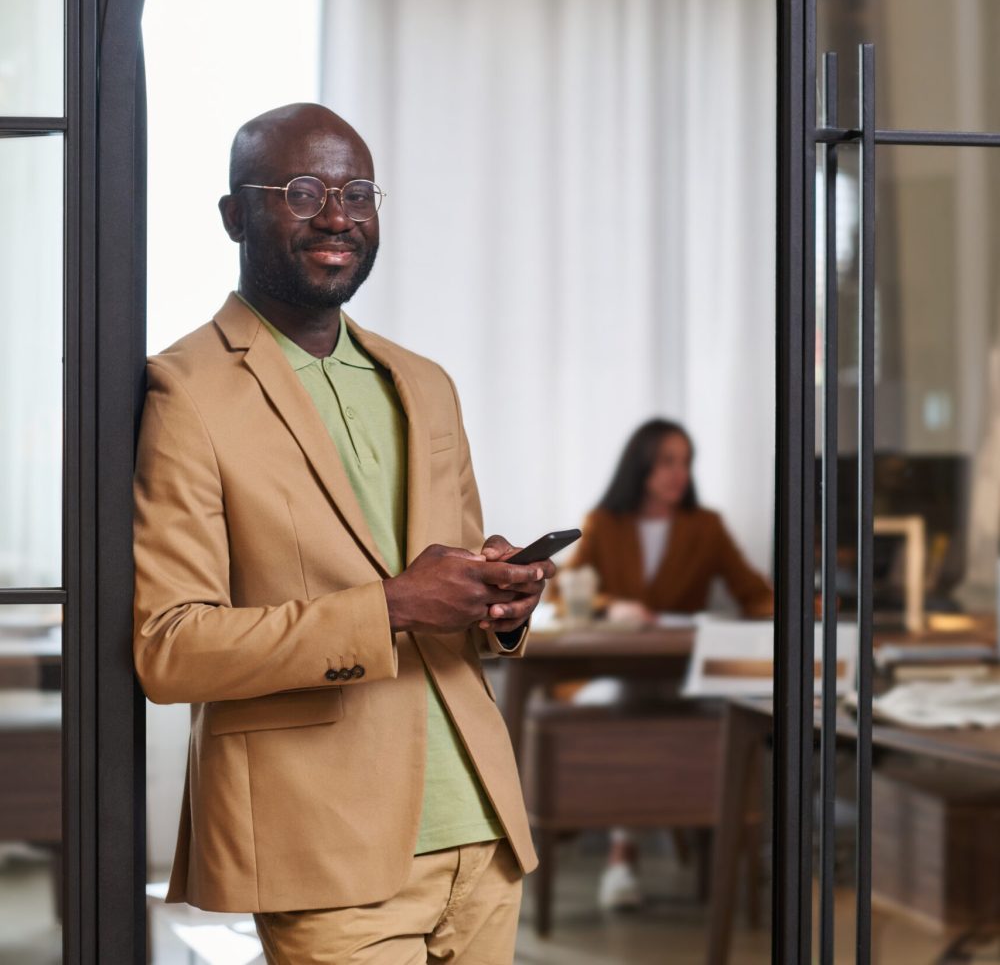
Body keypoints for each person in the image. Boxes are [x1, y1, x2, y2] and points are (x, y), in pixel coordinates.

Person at [132, 103, 554, 964]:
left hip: (483, 836)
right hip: (327, 850)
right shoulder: (185, 392)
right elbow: (171, 648)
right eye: (301, 191)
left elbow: (454, 599)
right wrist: (393, 605)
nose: (337, 215)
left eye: (358, 191)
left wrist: (499, 601)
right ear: (234, 216)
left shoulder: (425, 383)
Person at [560, 418, 773, 909]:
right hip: (607, 672)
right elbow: (566, 588)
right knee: (627, 705)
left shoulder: (706, 526)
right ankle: (622, 855)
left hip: (680, 675)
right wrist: (612, 604)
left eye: (686, 462)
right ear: (641, 467)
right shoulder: (603, 523)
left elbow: (753, 593)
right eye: (667, 461)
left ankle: (713, 861)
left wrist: (814, 607)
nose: (679, 473)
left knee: (731, 715)